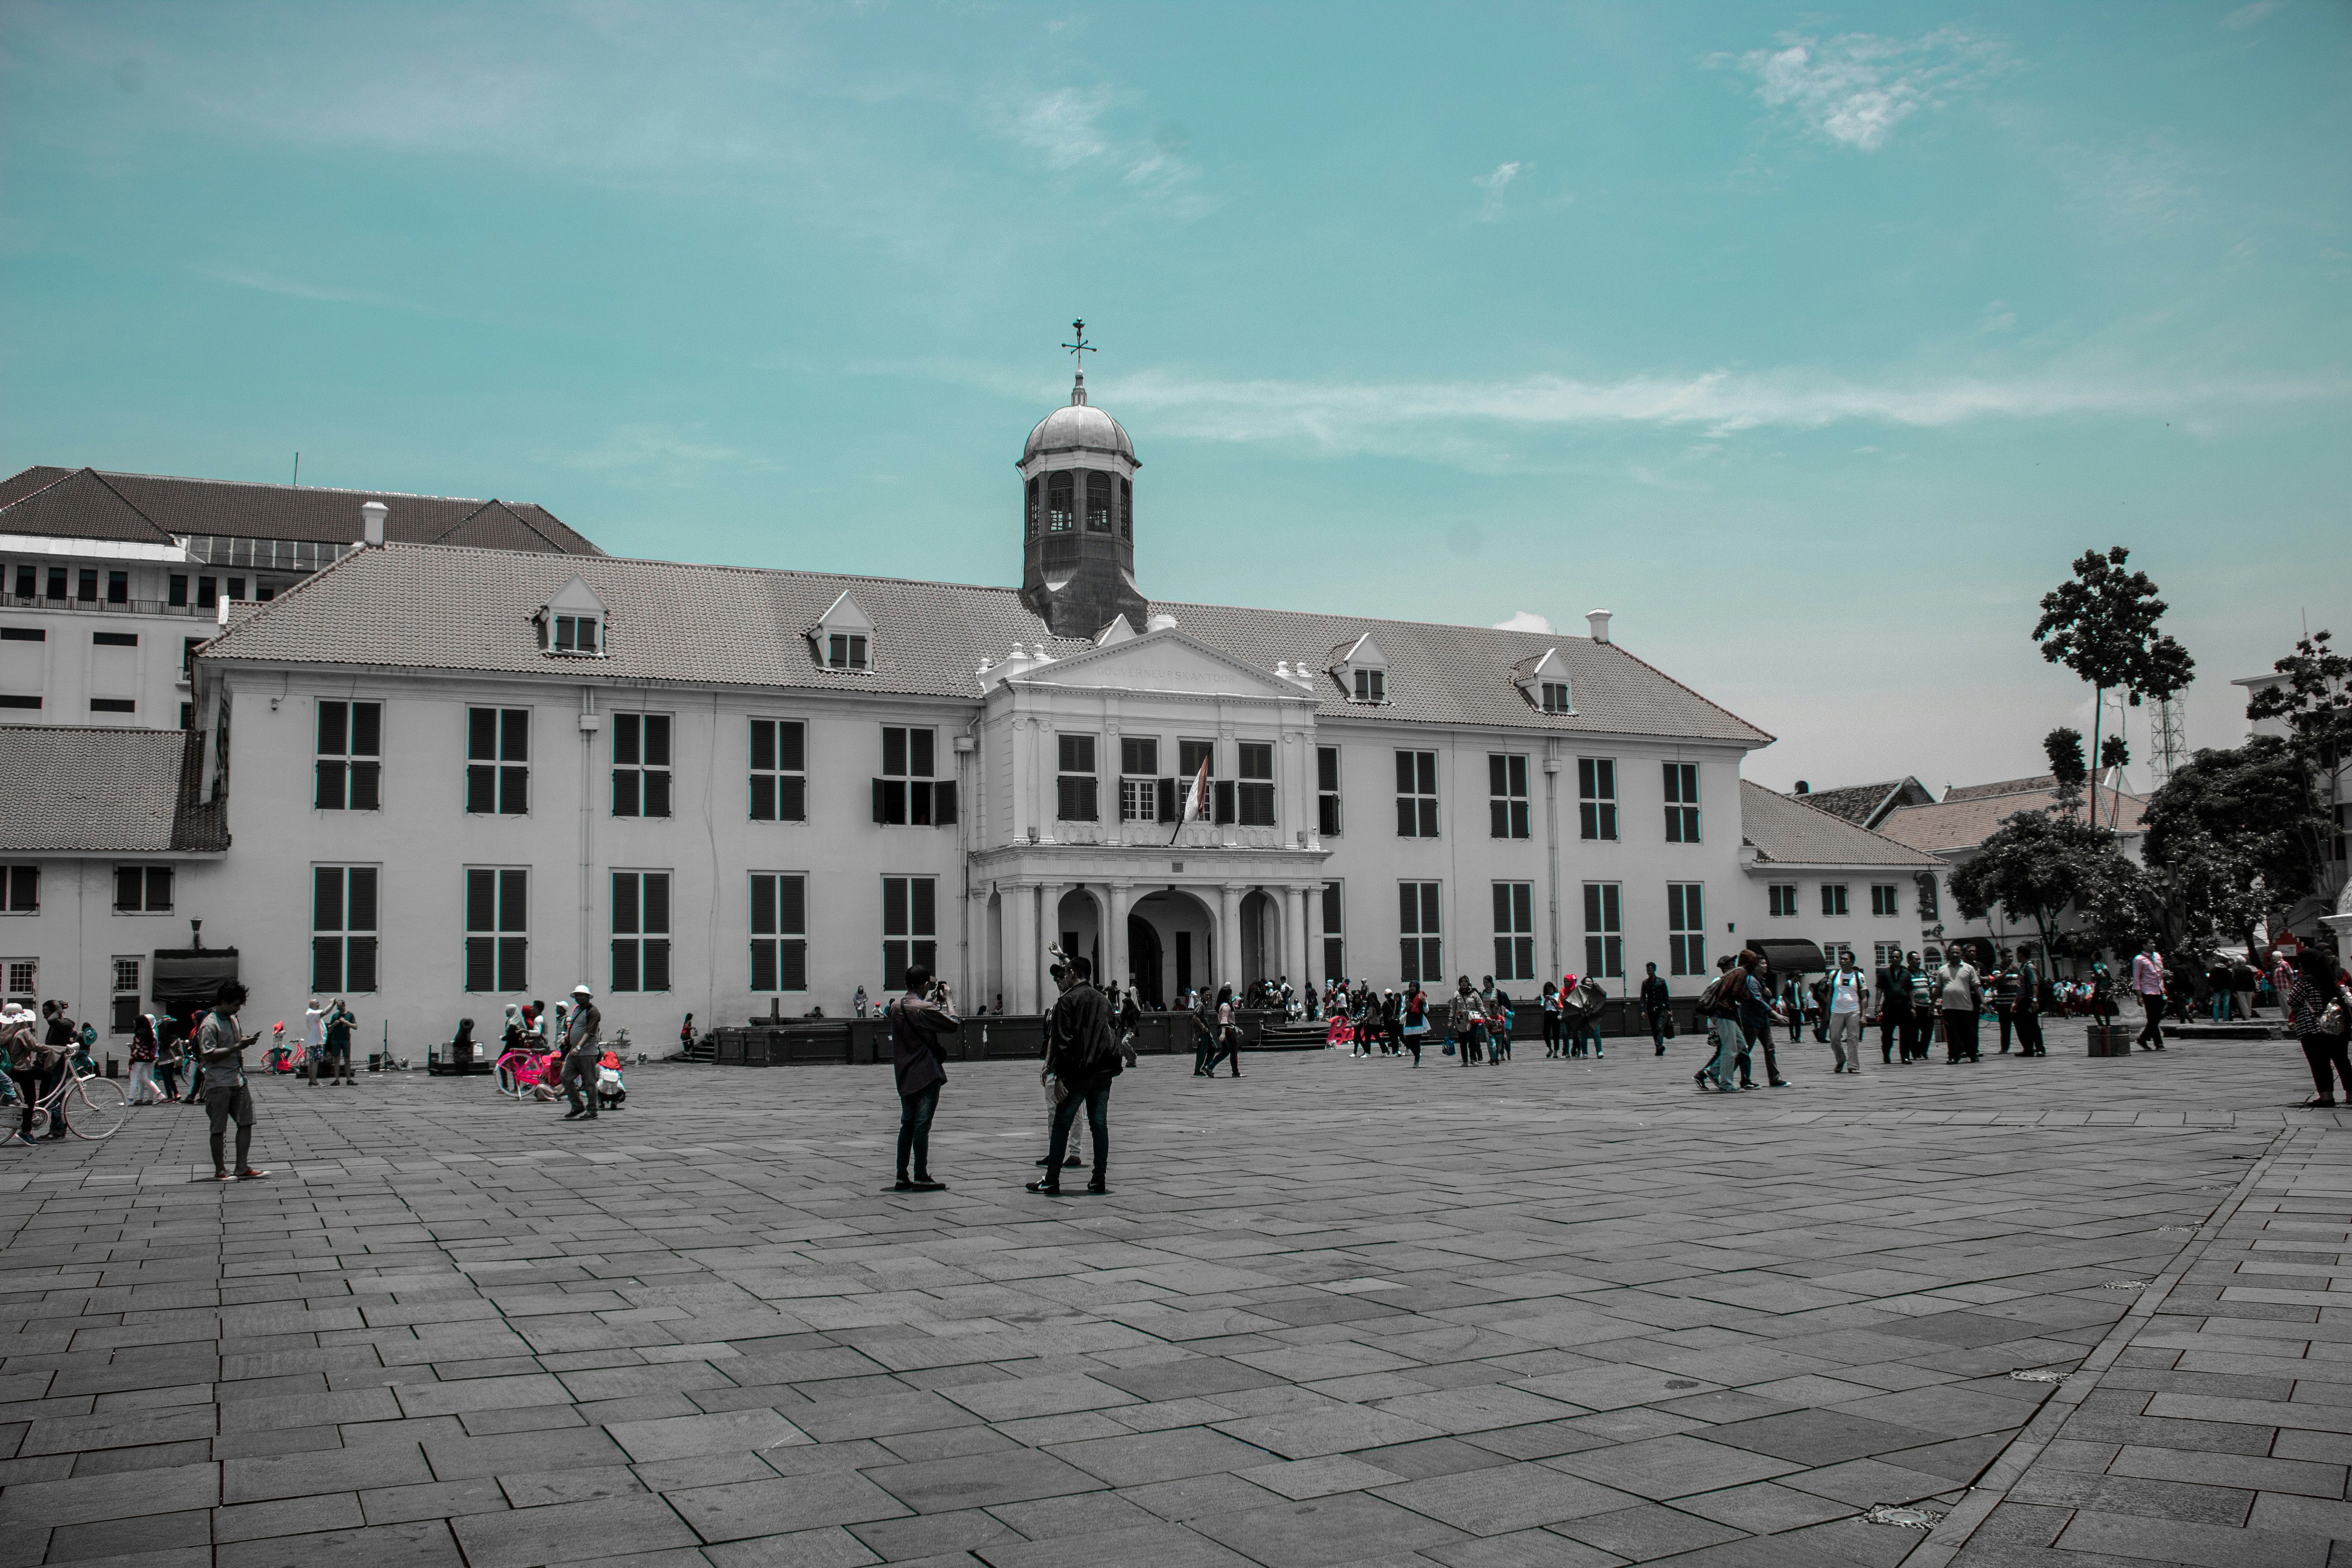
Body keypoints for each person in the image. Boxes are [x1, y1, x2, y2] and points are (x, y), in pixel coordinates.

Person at [1029, 955, 1119, 1195]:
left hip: (1078, 1073)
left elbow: (1063, 1043)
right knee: (1099, 1125)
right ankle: (1099, 1178)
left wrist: (1059, 1077)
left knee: (1061, 1124)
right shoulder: (1104, 1001)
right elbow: (1111, 1035)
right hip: (1103, 1073)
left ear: (1071, 974)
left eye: (1066, 973)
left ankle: (1052, 1179)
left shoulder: (1066, 1001)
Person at [885, 964, 959, 1190]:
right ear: (923, 985)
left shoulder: (895, 1007)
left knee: (907, 1124)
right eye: (929, 984)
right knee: (922, 1126)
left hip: (904, 1074)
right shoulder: (924, 1008)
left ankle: (901, 1175)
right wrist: (948, 1001)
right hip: (926, 1073)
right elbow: (954, 1024)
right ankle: (921, 1175)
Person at [196, 981, 266, 1180]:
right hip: (218, 1082)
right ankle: (220, 1170)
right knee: (218, 1128)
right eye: (235, 1005)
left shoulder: (232, 1019)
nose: (237, 1009)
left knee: (246, 1122)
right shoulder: (210, 1024)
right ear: (223, 1001)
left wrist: (246, 1041)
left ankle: (241, 1167)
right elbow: (209, 1055)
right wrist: (237, 1046)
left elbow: (234, 1044)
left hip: (238, 1079)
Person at [2286, 951, 2352, 1108]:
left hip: (2313, 1028)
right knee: (2342, 1061)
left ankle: (2326, 1097)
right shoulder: (2330, 978)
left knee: (2319, 1063)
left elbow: (2292, 999)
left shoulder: (2306, 980)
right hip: (2335, 1028)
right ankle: (2351, 1094)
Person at [1738, 951, 1791, 1087]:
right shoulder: (1751, 980)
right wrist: (1777, 1015)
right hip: (1751, 1020)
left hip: (1762, 1020)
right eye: (1763, 963)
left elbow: (1763, 999)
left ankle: (1775, 1078)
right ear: (1756, 966)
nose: (1766, 965)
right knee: (1745, 1050)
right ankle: (1723, 1074)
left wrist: (1769, 995)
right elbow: (1757, 1000)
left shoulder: (1761, 980)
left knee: (1770, 1048)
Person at [559, 983, 603, 1120]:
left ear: (588, 997)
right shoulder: (577, 1009)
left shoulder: (593, 1012)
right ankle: (577, 1105)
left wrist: (579, 1047)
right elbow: (573, 1025)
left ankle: (592, 1110)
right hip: (574, 1052)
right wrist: (568, 1036)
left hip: (587, 1052)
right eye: (577, 996)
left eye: (581, 996)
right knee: (565, 1077)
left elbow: (590, 1032)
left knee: (590, 1082)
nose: (578, 998)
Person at [1823, 952, 1867, 1074]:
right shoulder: (1834, 975)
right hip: (1837, 1011)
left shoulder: (1859, 976)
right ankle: (1841, 1059)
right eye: (1841, 959)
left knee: (1852, 1039)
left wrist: (1863, 1016)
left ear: (1852, 962)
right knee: (1834, 1038)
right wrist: (1827, 1012)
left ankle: (1853, 1066)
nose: (1842, 961)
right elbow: (1829, 994)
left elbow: (1864, 997)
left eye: (1845, 959)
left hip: (1853, 1011)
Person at [1940, 948, 1983, 1063]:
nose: (1954, 955)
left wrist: (1983, 1002)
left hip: (1966, 1006)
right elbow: (1938, 988)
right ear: (1948, 954)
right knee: (1952, 1032)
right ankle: (1954, 1056)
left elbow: (1977, 986)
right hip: (1949, 1007)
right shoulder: (1942, 969)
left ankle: (1973, 1054)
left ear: (1962, 955)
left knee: (1969, 1032)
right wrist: (1933, 1003)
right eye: (1952, 953)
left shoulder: (1969, 968)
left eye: (1957, 953)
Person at [2132, 936, 2168, 1052]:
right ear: (2144, 945)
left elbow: (2160, 975)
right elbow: (2136, 978)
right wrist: (2139, 995)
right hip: (2148, 991)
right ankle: (2159, 1044)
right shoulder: (2138, 960)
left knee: (2157, 1018)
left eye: (2154, 943)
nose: (2154, 945)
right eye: (2151, 943)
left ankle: (2143, 1038)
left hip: (2159, 990)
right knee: (2153, 1018)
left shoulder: (2157, 956)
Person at [2012, 951, 2048, 1058]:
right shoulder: (2023, 967)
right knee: (2022, 1025)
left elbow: (2035, 984)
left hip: (2028, 1000)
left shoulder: (2030, 967)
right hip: (2022, 1001)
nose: (2016, 957)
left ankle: (2040, 1049)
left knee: (2032, 1025)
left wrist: (2035, 1000)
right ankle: (2028, 1048)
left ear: (2021, 955)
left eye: (2017, 954)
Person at [314, 998, 357, 1085]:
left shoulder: (350, 1015)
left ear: (344, 1005)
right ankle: (337, 1079)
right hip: (336, 1040)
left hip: (346, 1039)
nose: (340, 1010)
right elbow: (329, 1030)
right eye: (338, 1008)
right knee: (336, 1060)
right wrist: (334, 1025)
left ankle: (349, 1079)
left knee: (347, 1059)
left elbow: (355, 1026)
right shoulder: (335, 1016)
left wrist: (346, 1023)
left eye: (341, 1008)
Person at [127, 1012, 162, 1105]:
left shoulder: (140, 1033)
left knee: (135, 1078)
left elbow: (136, 1049)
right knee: (147, 1078)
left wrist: (131, 1060)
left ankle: (131, 1099)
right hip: (148, 1059)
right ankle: (158, 1094)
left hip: (139, 1059)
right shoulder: (150, 1032)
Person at [1640, 963, 1671, 1054]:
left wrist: (1669, 1009)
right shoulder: (1645, 983)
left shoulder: (1661, 982)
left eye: (1650, 970)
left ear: (1654, 970)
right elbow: (1643, 997)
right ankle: (1659, 1048)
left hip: (1660, 1008)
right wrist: (1642, 1010)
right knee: (1654, 1030)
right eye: (1647, 970)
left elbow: (1666, 996)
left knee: (1659, 1028)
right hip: (1650, 1009)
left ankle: (1659, 1046)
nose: (1648, 972)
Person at [1540, 981, 1563, 1058]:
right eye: (1547, 990)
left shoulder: (1558, 995)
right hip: (1548, 1014)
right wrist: (1546, 1001)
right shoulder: (1545, 997)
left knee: (1556, 1033)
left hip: (1556, 1014)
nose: (1549, 991)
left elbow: (1560, 1006)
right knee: (1545, 1033)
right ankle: (1550, 1049)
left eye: (1550, 989)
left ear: (1553, 988)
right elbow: (1544, 1008)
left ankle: (1556, 1051)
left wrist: (1554, 1000)